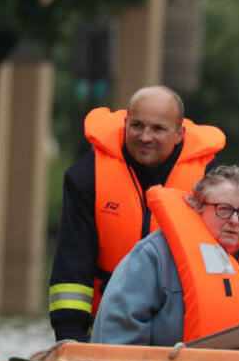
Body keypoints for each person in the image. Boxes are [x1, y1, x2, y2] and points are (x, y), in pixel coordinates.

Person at [48, 85, 226, 342]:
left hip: (183, 332)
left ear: (179, 134)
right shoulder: (87, 176)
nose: (145, 137)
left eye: (158, 129)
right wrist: (70, 339)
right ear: (125, 124)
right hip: (107, 328)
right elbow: (72, 262)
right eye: (137, 126)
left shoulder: (211, 182)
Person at [91, 165, 239, 346]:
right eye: (223, 209)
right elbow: (116, 334)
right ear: (198, 207)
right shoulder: (152, 257)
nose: (234, 221)